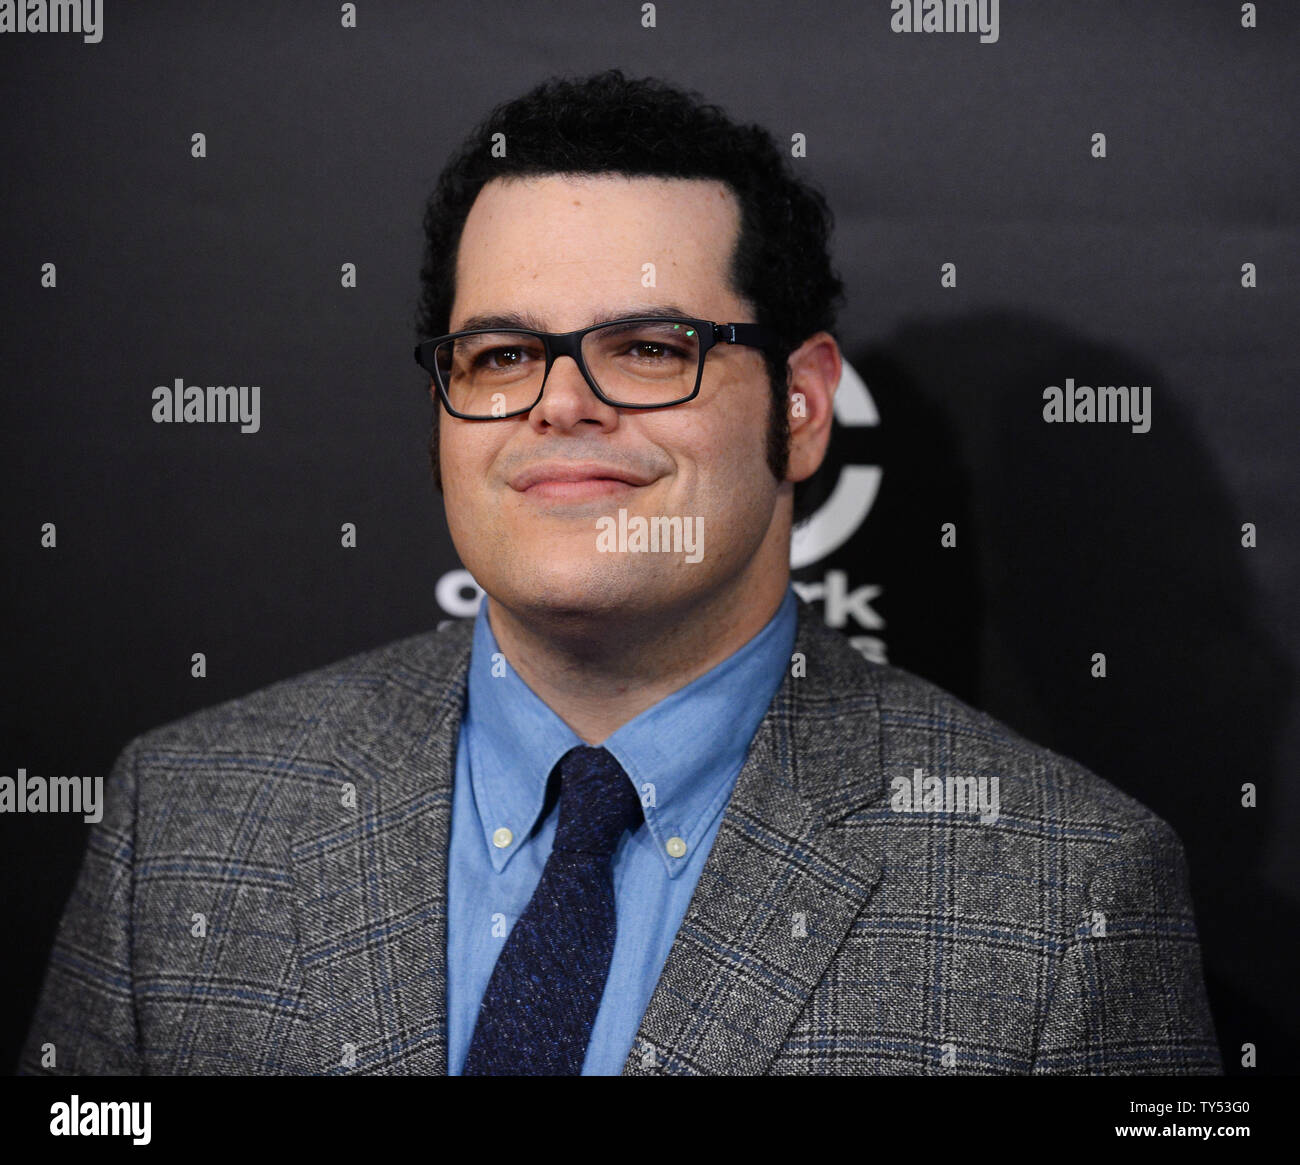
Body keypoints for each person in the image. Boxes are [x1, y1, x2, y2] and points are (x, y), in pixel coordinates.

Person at [20, 69, 1220, 1076]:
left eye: (650, 348)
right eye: (500, 354)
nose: (560, 404)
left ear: (801, 410)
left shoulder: (1067, 893)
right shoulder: (180, 819)